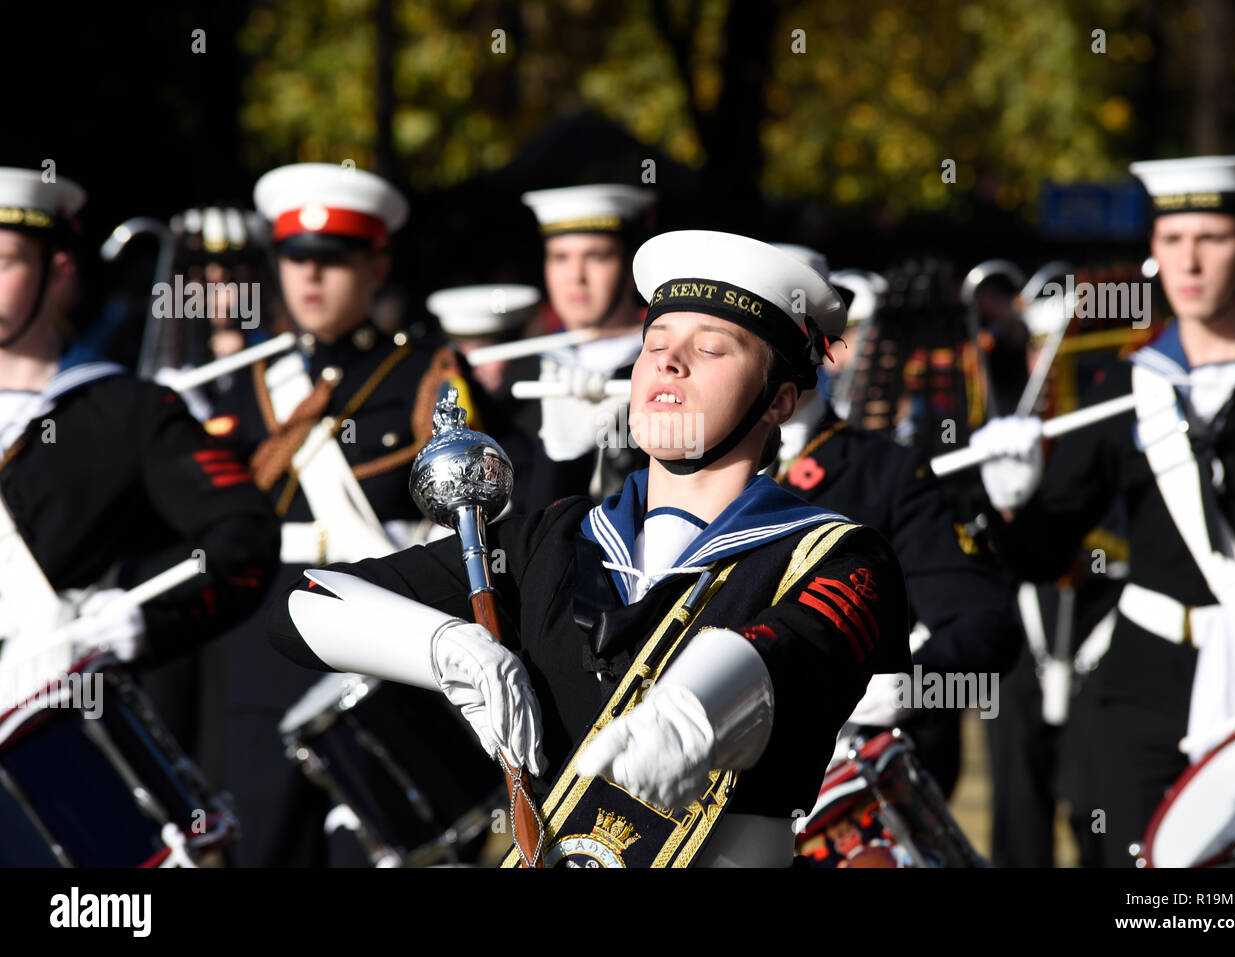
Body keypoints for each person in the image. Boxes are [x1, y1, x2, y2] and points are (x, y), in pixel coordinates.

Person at [268, 230, 913, 867]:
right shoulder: (547, 541)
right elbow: (303, 607)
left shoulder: (838, 556)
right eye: (654, 344)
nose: (669, 361)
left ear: (779, 402)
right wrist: (447, 649)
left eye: (710, 349)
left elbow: (790, 651)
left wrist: (689, 719)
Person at [968, 154, 1235, 866]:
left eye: (1212, 238)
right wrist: (1010, 497)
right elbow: (1040, 556)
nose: (1190, 260)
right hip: (1142, 686)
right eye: (1172, 239)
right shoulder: (1131, 385)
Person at [198, 162, 494, 867]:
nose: (310, 277)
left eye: (333, 261)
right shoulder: (245, 382)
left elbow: (468, 510)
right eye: (296, 258)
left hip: (376, 626)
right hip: (265, 637)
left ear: (375, 264)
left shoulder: (427, 374)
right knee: (266, 845)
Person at [0, 166, 278, 739]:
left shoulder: (129, 412)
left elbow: (242, 540)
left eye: (3, 261)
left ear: (59, 273)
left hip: (56, 730)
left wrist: (143, 612)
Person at [768, 243, 1021, 799]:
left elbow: (987, 627)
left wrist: (915, 685)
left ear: (816, 338)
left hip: (839, 783)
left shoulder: (887, 474)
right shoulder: (659, 470)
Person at [508, 184, 656, 509]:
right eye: (560, 258)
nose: (576, 276)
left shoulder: (662, 363)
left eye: (596, 257)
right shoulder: (521, 370)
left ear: (632, 268)